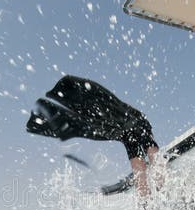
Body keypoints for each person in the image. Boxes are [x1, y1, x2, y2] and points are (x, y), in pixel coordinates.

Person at [26, 76, 159, 200]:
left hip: (114, 122)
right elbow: (153, 155)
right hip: (121, 119)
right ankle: (160, 190)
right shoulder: (141, 124)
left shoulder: (130, 129)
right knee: (147, 149)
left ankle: (145, 209)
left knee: (135, 150)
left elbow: (140, 168)